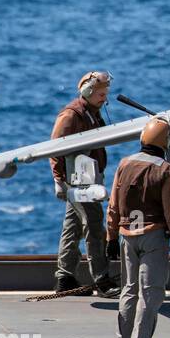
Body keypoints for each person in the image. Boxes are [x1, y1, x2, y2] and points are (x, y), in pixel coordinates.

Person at [105, 117, 170, 338]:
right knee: (150, 293)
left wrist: (110, 237)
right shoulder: (165, 171)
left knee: (129, 290)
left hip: (126, 236)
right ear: (166, 142)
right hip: (153, 237)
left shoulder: (124, 164)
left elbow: (112, 206)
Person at [51, 71, 119, 297]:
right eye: (100, 94)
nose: (104, 99)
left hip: (88, 179)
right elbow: (54, 149)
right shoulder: (71, 116)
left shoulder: (92, 114)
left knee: (72, 228)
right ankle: (102, 280)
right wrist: (58, 180)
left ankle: (64, 277)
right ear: (88, 92)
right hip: (78, 183)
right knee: (94, 225)